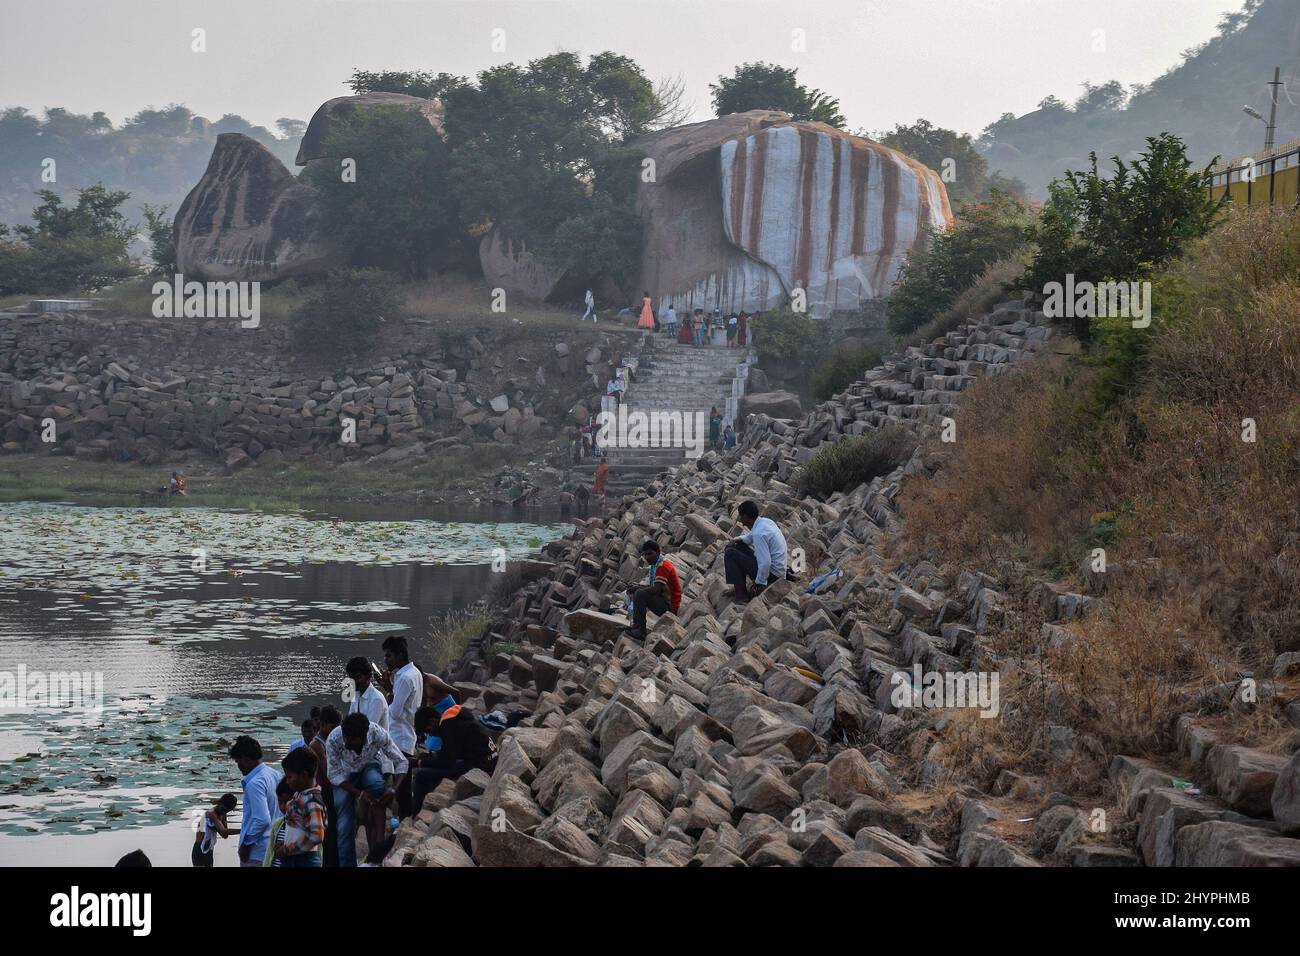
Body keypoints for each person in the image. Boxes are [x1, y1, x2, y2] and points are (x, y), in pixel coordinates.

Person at [326, 712, 406, 867]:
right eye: (346, 737)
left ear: (364, 737)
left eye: (352, 739)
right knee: (344, 826)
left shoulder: (377, 734)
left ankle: (379, 848)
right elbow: (333, 774)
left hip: (370, 765)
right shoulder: (335, 738)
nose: (347, 741)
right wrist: (360, 793)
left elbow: (401, 761)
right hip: (345, 774)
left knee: (377, 785)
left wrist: (393, 790)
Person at [409, 696, 496, 814]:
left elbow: (447, 761)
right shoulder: (456, 719)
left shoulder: (448, 725)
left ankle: (415, 814)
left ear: (433, 721)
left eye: (428, 731)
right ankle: (428, 805)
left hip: (481, 766)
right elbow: (451, 752)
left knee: (420, 774)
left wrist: (420, 762)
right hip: (489, 760)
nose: (431, 735)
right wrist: (433, 757)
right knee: (433, 768)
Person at [380, 635, 423, 819]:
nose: (386, 660)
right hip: (408, 734)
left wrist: (384, 706)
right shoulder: (414, 673)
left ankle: (406, 824)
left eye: (388, 656)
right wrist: (389, 688)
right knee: (404, 786)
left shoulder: (405, 678)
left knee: (402, 788)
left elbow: (395, 713)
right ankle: (406, 821)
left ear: (399, 655)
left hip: (400, 736)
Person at [228, 735, 282, 867]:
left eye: (238, 761)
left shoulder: (255, 783)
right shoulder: (275, 775)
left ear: (246, 759)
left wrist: (246, 844)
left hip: (256, 853)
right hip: (274, 847)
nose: (238, 766)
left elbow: (262, 820)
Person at [725, 500, 790, 602]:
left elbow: (765, 563)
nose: (740, 520)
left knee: (730, 554)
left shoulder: (759, 534)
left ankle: (741, 596)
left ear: (746, 517)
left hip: (773, 576)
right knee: (736, 546)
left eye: (741, 516)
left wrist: (759, 583)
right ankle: (739, 585)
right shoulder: (765, 522)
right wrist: (738, 539)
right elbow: (749, 537)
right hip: (779, 571)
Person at [274, 747, 327, 867]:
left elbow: (316, 836)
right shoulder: (300, 795)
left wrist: (287, 849)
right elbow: (300, 830)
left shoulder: (311, 801)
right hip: (294, 858)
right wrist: (285, 843)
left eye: (289, 777)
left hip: (303, 860)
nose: (287, 782)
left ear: (303, 775)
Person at [623, 538, 682, 640]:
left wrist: (638, 588)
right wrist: (637, 586)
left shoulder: (663, 566)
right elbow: (654, 587)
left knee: (640, 594)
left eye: (650, 554)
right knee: (639, 592)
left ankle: (640, 631)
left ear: (658, 552)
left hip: (671, 608)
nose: (647, 557)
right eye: (645, 555)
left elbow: (656, 590)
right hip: (664, 601)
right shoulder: (656, 565)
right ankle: (636, 626)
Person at [309, 705, 341, 866]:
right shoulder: (316, 744)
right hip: (325, 793)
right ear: (323, 724)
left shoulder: (330, 740)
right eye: (333, 726)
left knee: (335, 832)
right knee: (329, 834)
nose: (336, 730)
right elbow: (328, 770)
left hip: (332, 791)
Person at [191, 793, 237, 867]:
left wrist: (223, 819)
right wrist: (243, 830)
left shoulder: (222, 814)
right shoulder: (211, 813)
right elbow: (223, 831)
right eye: (224, 809)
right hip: (199, 850)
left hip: (209, 851)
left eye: (227, 811)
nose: (224, 811)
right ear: (220, 803)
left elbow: (225, 835)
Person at [262, 778, 295, 867]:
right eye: (280, 802)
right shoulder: (277, 825)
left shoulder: (304, 826)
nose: (284, 807)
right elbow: (269, 854)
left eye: (287, 801)